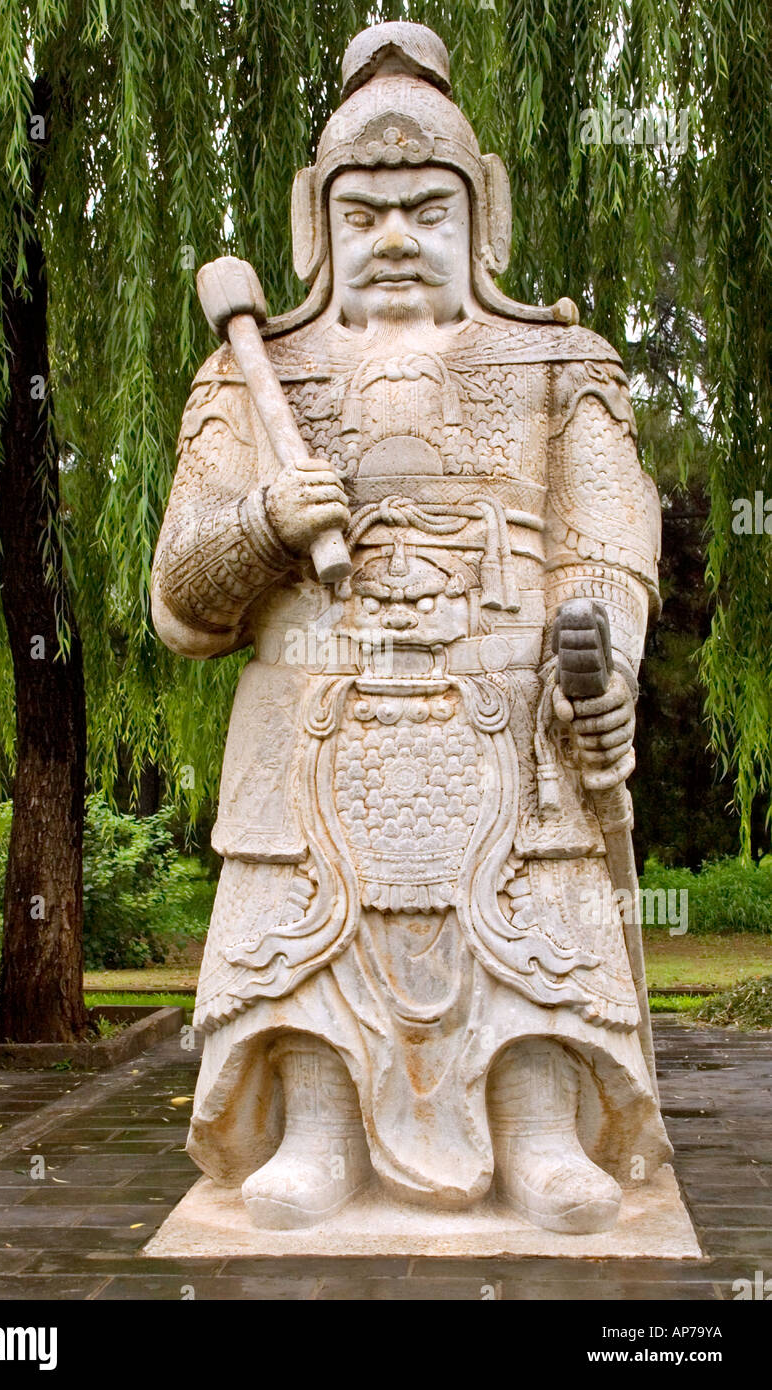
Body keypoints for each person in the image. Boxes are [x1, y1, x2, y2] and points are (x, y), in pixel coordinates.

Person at [152, 21, 670, 1233]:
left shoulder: (558, 360)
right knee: (310, 909)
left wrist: (599, 654)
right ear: (311, 223)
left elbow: (606, 544)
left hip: (501, 692)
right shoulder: (250, 374)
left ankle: (537, 1131)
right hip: (315, 703)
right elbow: (180, 599)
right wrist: (264, 522)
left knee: (527, 898)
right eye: (362, 212)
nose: (391, 236)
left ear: (478, 215)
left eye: (424, 209)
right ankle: (319, 1132)